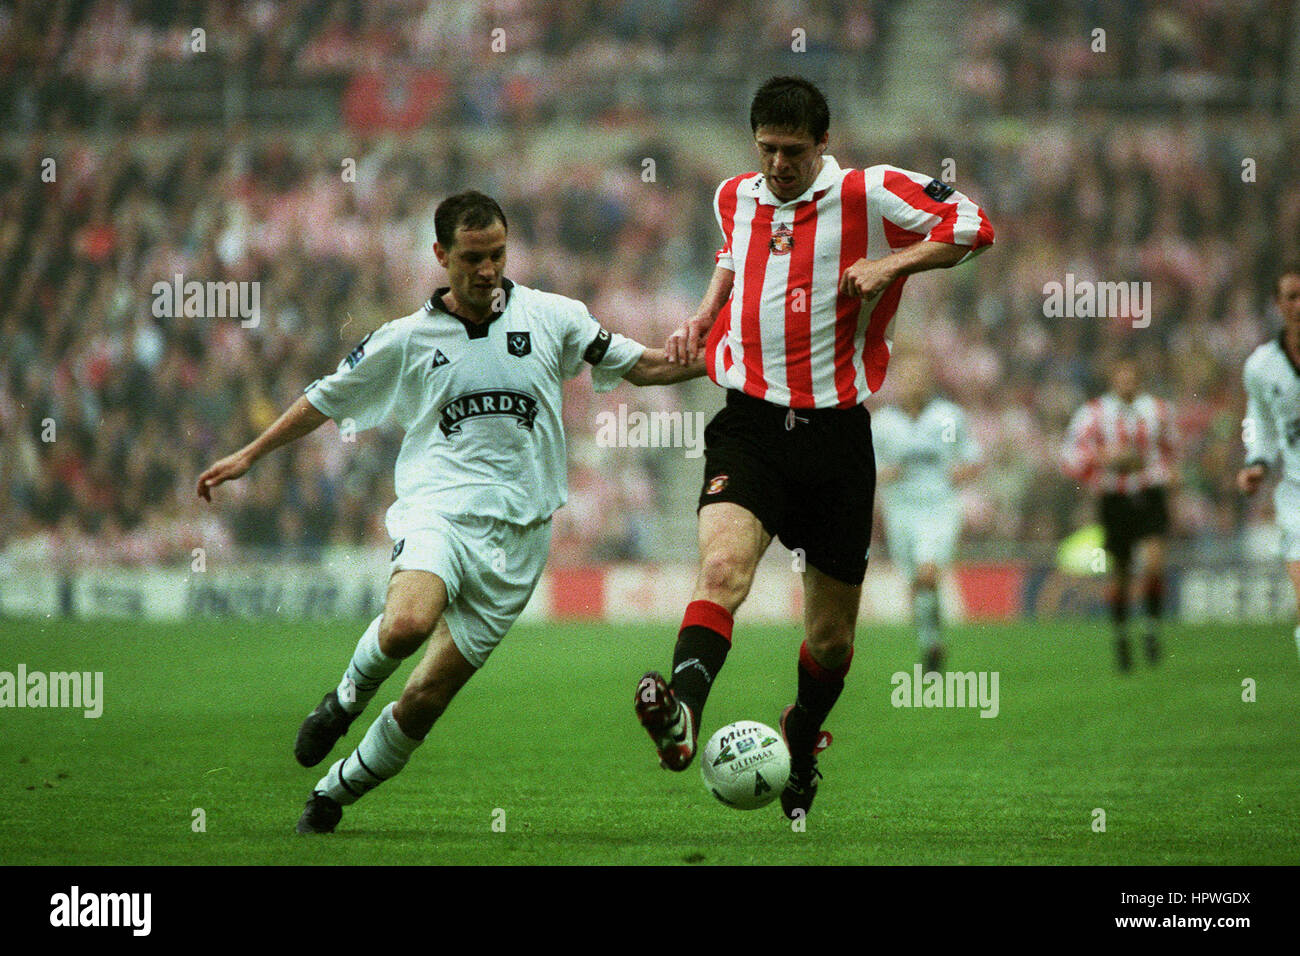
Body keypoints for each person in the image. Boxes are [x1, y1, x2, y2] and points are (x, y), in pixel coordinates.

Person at [197, 190, 703, 833]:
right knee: (407, 624)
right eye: (472, 257)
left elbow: (646, 367)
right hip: (437, 512)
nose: (487, 269)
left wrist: (737, 364)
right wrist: (249, 455)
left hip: (521, 538)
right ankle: (344, 700)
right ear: (440, 255)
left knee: (425, 698)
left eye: (497, 254)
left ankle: (330, 796)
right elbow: (326, 398)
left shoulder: (555, 317)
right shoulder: (405, 338)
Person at [634, 75, 994, 819]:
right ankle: (683, 717)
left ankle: (801, 738)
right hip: (752, 422)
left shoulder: (872, 192)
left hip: (836, 437)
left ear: (823, 142)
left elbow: (973, 228)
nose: (778, 165)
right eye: (766, 149)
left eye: (792, 151)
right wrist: (704, 315)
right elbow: (733, 256)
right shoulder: (736, 195)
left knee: (830, 641)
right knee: (723, 566)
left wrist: (892, 265)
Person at [1063, 357, 1178, 672]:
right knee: (1122, 571)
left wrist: (1170, 475)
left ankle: (1152, 628)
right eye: (1121, 376)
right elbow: (1070, 454)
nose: (1127, 381)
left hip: (1149, 492)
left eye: (1132, 376)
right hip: (1114, 496)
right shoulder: (1094, 412)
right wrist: (1106, 457)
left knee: (1154, 562)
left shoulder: (1158, 410)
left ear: (1139, 378)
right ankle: (1122, 636)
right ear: (1112, 378)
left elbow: (1172, 451)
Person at [871, 354, 982, 674]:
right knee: (917, 583)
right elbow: (869, 467)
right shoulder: (883, 424)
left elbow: (971, 457)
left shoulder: (948, 417)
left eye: (918, 376)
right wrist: (886, 473)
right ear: (897, 382)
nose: (913, 383)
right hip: (901, 509)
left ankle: (931, 644)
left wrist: (962, 472)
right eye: (907, 377)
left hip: (939, 507)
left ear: (928, 379)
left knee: (927, 573)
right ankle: (931, 642)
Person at [1238, 265, 1300, 659]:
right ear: (1278, 305)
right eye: (1292, 296)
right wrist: (1256, 462)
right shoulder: (1261, 366)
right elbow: (1257, 420)